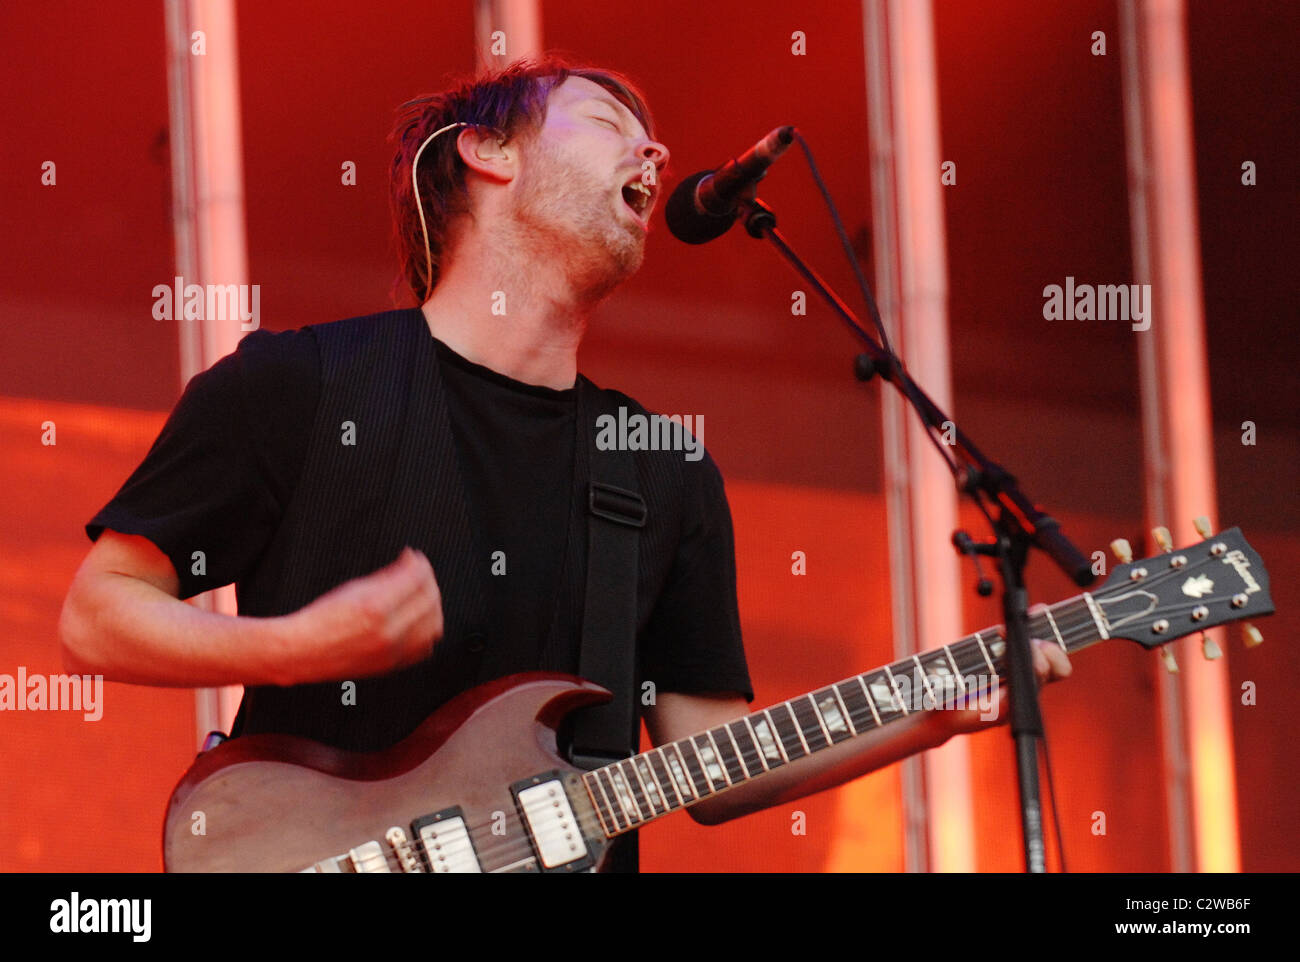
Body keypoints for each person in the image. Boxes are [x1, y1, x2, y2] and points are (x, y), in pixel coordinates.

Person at [58, 55, 1070, 870]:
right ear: (488, 154)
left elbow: (707, 759)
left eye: (651, 135)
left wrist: (924, 714)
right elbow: (98, 613)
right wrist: (297, 643)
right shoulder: (303, 383)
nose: (656, 149)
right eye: (606, 120)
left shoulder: (661, 468)